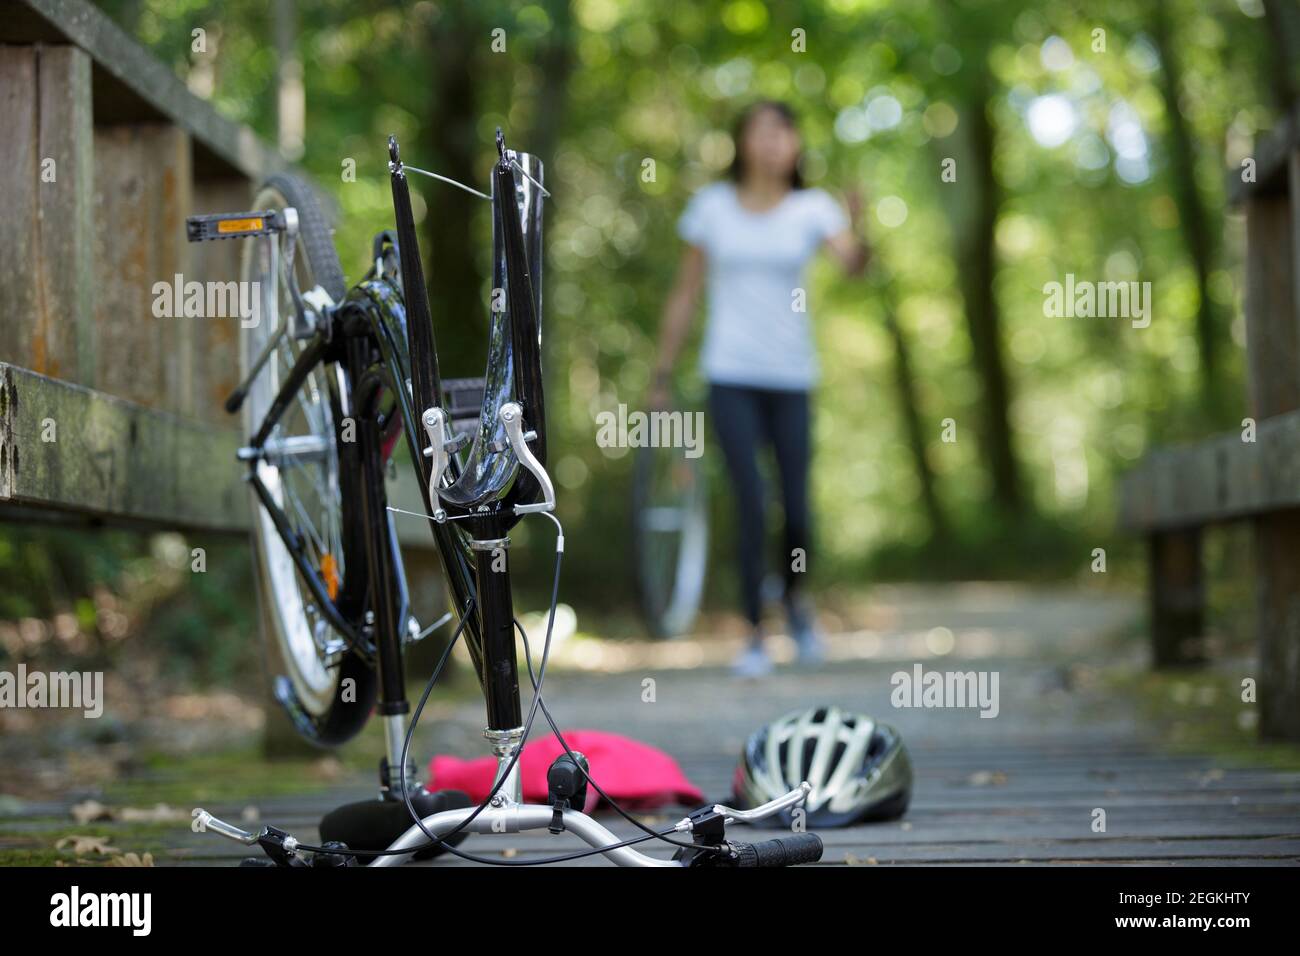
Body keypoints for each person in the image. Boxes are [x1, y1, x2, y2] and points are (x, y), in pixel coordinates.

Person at [650, 100, 870, 678]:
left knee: (796, 508)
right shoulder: (712, 209)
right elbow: (684, 293)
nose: (774, 143)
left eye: (784, 132)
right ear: (742, 142)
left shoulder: (813, 209)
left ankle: (797, 604)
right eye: (762, 131)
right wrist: (662, 374)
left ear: (796, 146)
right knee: (751, 500)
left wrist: (860, 223)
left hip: (793, 376)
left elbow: (853, 266)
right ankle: (754, 631)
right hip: (730, 374)